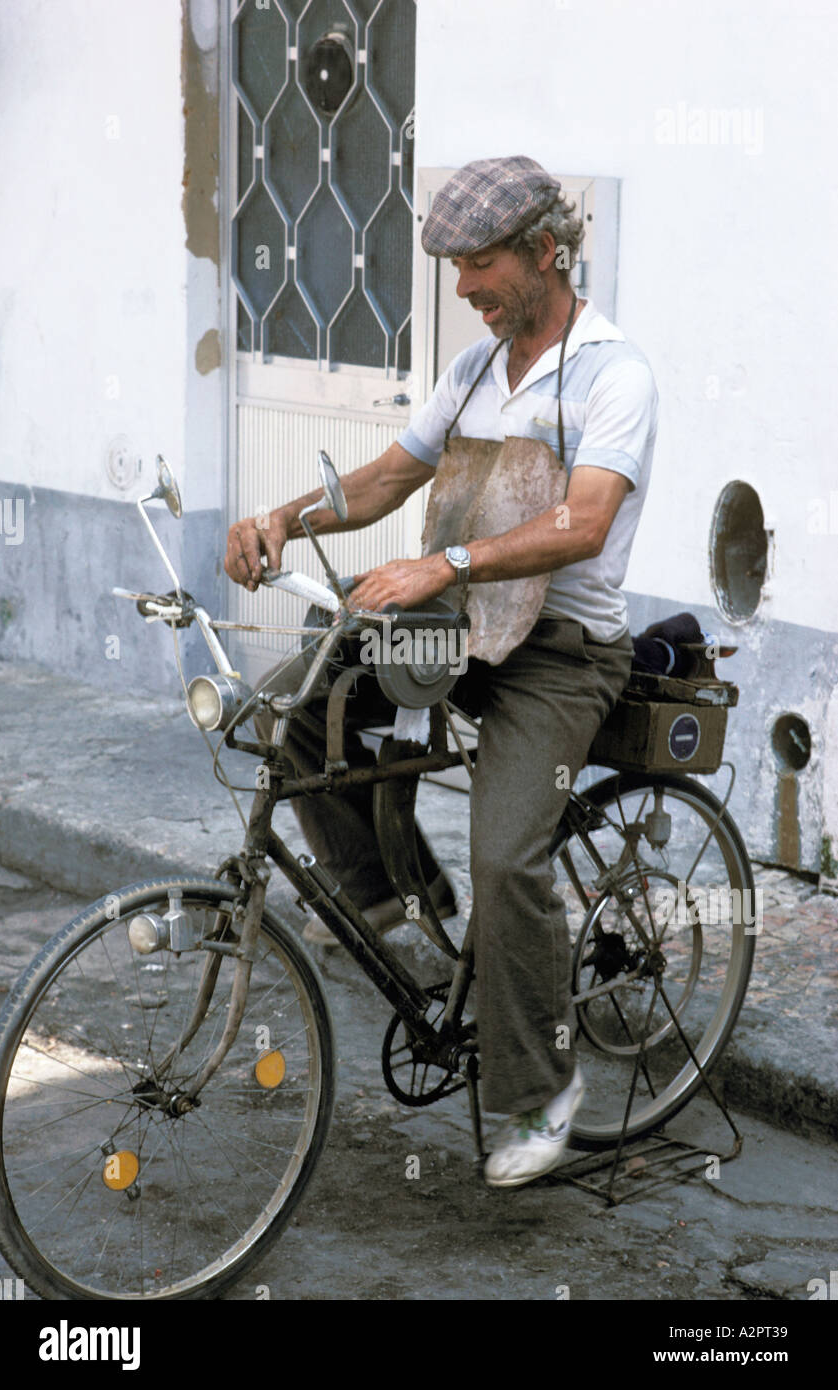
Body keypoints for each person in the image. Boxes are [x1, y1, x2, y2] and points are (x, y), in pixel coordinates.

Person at [225, 155, 659, 1189]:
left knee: (510, 855)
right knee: (291, 712)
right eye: (455, 268)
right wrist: (286, 516)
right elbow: (386, 478)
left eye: (478, 265)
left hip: (558, 656)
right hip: (455, 628)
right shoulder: (476, 370)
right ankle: (400, 917)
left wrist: (448, 560)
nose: (462, 287)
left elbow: (583, 520)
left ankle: (540, 1092)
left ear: (545, 254)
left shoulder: (614, 373)